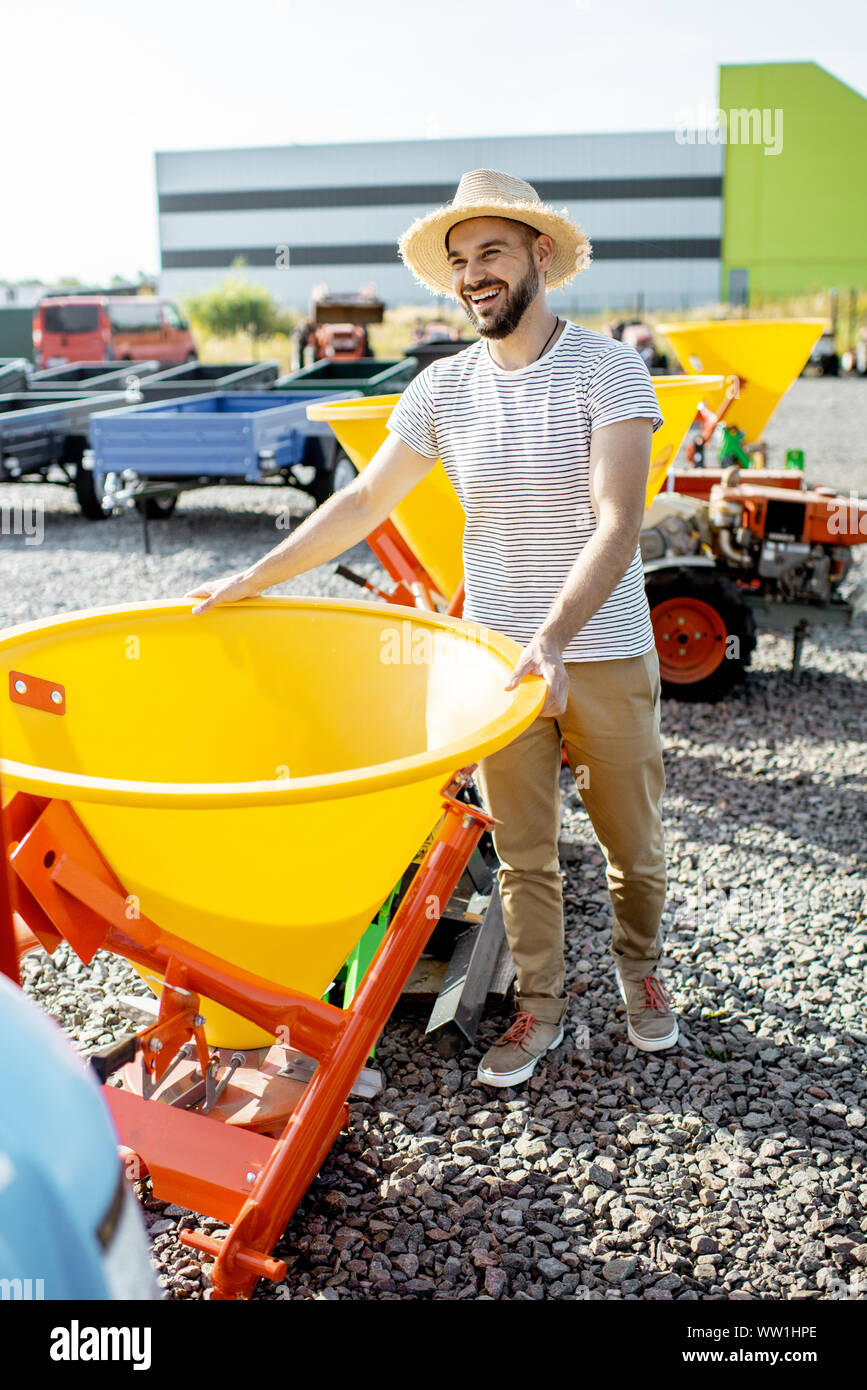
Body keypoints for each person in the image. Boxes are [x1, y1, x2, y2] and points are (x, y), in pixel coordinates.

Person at [186, 169, 677, 1090]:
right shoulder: (442, 390)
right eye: (459, 261)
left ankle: (640, 970)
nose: (472, 274)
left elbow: (616, 521)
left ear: (539, 254)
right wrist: (253, 575)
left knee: (633, 845)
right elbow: (366, 500)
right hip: (495, 663)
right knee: (521, 851)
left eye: (490, 251)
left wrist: (556, 638)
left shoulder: (607, 369)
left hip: (601, 650)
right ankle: (543, 1003)